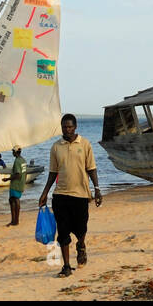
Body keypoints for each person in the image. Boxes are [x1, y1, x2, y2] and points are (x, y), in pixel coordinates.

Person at [38, 113, 102, 278]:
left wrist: (97, 188)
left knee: (81, 229)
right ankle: (66, 266)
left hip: (81, 195)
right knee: (63, 232)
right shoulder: (56, 147)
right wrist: (45, 192)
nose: (67, 130)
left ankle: (81, 245)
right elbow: (53, 172)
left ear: (75, 127)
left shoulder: (85, 144)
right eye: (64, 127)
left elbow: (91, 168)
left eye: (70, 126)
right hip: (61, 195)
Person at [7, 146, 27, 226]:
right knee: (15, 200)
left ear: (15, 152)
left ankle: (14, 221)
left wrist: (8, 179)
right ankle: (15, 220)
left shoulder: (17, 161)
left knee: (13, 200)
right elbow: (24, 174)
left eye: (13, 151)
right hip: (21, 184)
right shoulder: (23, 160)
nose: (12, 153)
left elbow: (18, 175)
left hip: (15, 184)